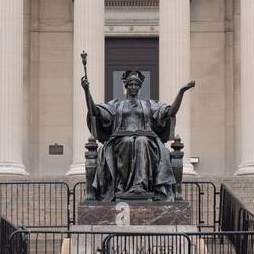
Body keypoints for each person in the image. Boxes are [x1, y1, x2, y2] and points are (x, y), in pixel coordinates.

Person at [81, 64, 194, 202]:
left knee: (141, 140)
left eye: (136, 85)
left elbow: (170, 112)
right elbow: (95, 112)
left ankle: (139, 185)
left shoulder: (149, 105)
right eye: (131, 84)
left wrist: (181, 92)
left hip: (147, 140)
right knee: (128, 141)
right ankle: (123, 186)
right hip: (120, 141)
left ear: (140, 87)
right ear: (126, 86)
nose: (133, 87)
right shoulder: (116, 105)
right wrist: (87, 91)